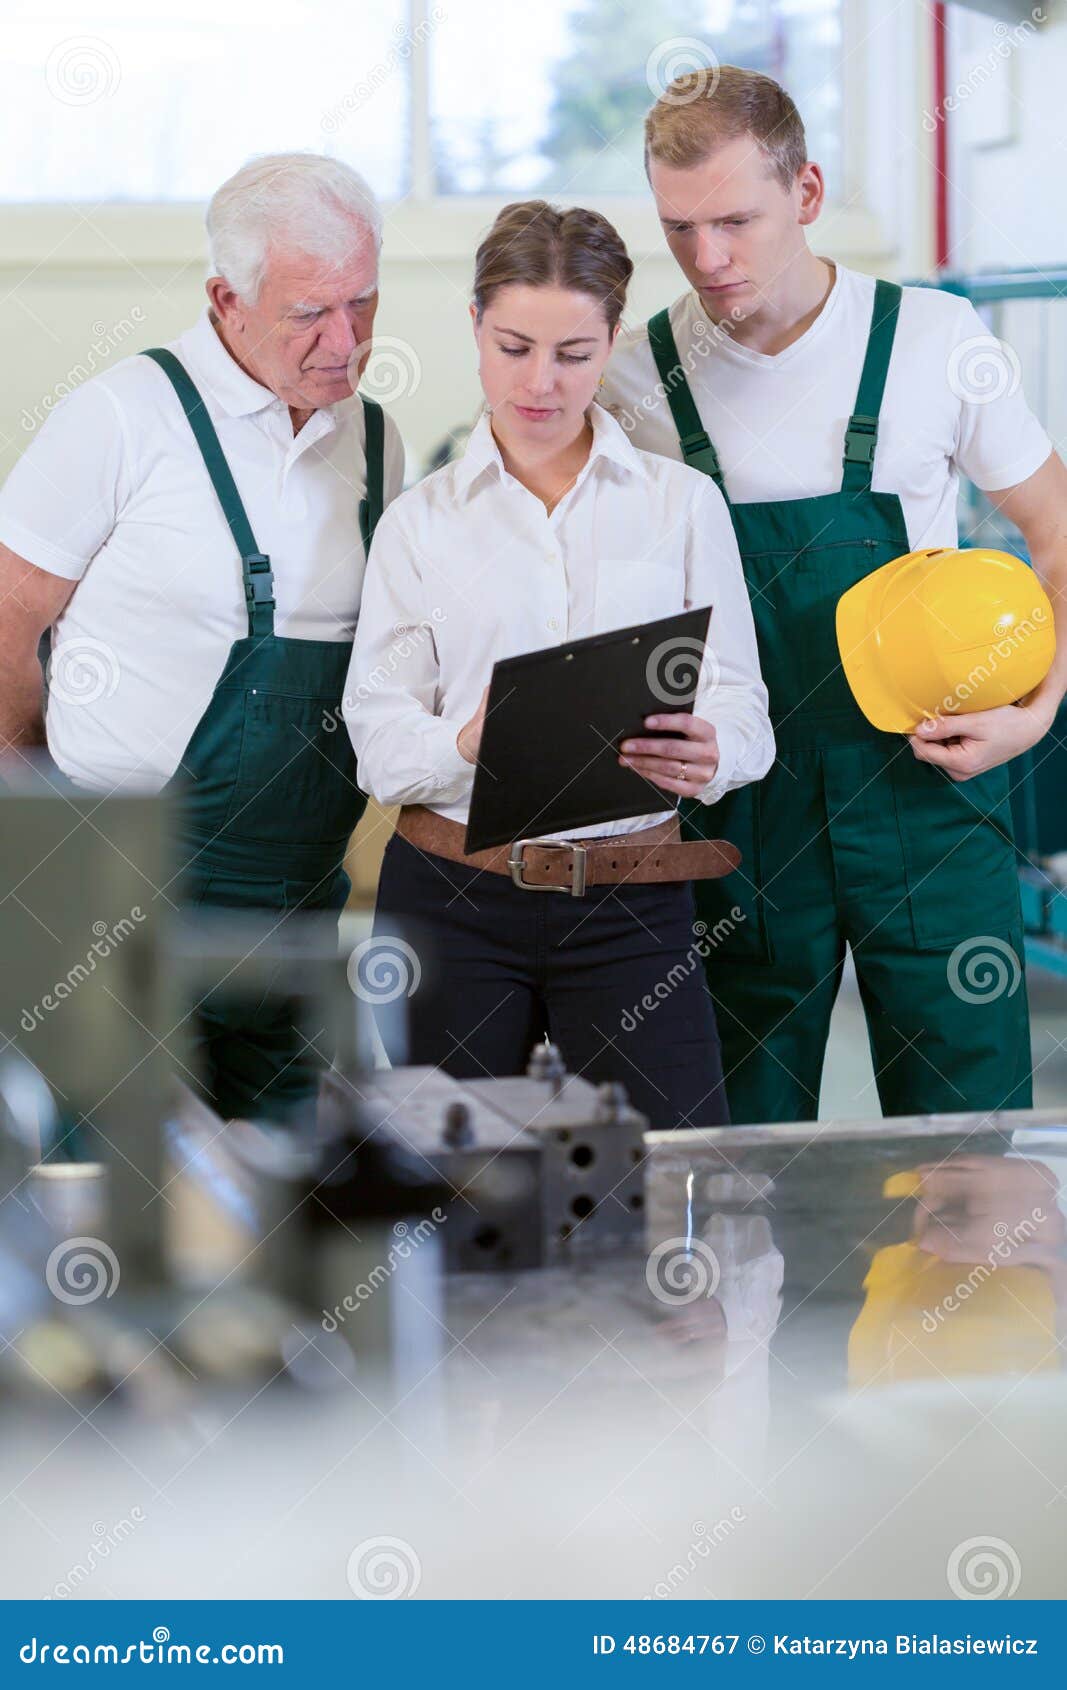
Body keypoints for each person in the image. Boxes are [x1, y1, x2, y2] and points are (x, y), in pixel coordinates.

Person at [601, 66, 1067, 1125]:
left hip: (929, 787)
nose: (707, 259)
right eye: (678, 228)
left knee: (965, 1135)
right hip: (739, 801)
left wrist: (1035, 714)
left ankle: (952, 1290)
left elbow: (1056, 529)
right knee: (733, 1149)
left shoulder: (934, 341)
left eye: (735, 220)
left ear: (806, 193)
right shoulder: (635, 380)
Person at [344, 200, 773, 1130]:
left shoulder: (680, 505)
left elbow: (742, 702)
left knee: (674, 1188)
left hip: (632, 903)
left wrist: (716, 752)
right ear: (473, 328)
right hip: (450, 905)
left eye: (574, 354)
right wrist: (468, 741)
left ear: (612, 339)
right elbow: (378, 742)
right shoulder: (418, 523)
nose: (540, 382)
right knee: (457, 1207)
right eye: (513, 347)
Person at [0, 153, 405, 1123]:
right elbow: (7, 624)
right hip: (120, 920)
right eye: (310, 313)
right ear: (226, 298)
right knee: (120, 1214)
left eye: (363, 304)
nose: (344, 341)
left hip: (298, 918)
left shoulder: (375, 442)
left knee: (301, 1213)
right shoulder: (119, 420)